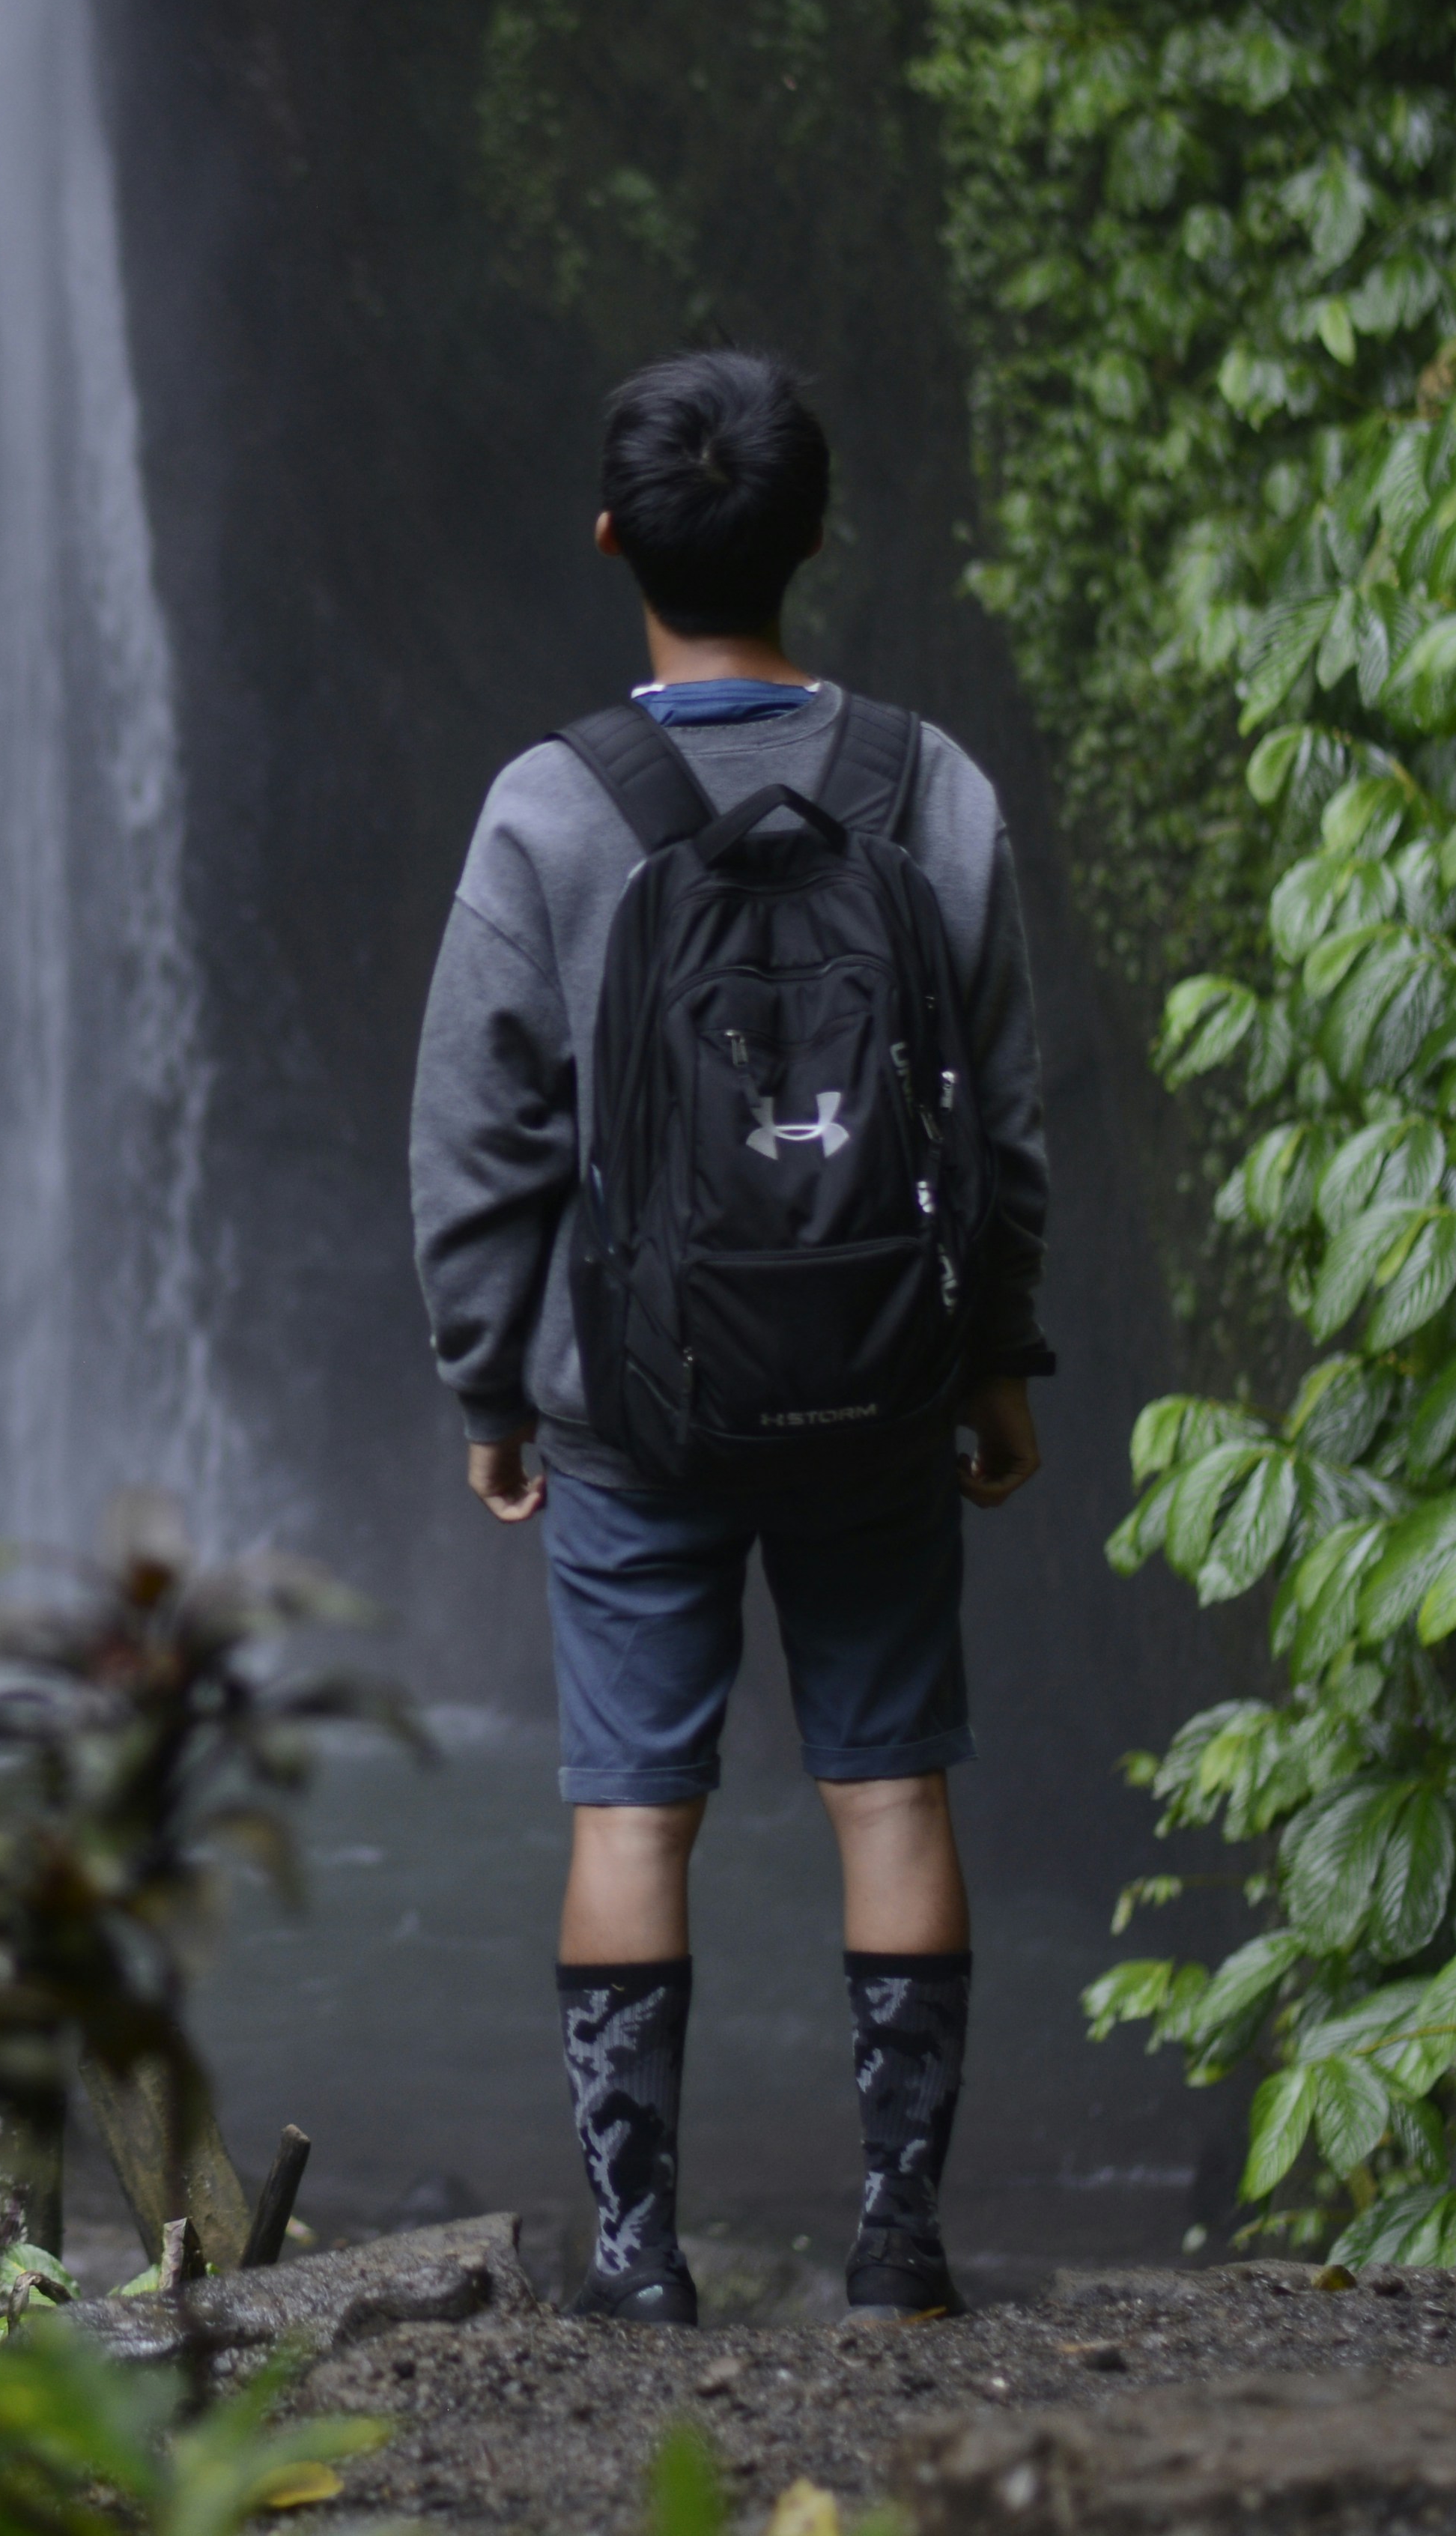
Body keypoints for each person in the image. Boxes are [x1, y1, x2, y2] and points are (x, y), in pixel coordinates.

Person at [406, 348, 1052, 2328]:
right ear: (814, 536)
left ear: (616, 542)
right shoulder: (923, 788)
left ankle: (633, 2259)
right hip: (878, 1380)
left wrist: (489, 1379)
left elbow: (481, 1121)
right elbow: (1000, 1109)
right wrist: (996, 1360)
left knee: (631, 1808)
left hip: (631, 1404)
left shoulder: (553, 807)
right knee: (890, 1789)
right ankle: (897, 2246)